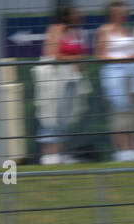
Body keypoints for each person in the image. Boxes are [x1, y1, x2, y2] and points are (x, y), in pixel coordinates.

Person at [34, 2, 89, 165]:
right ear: (66, 15)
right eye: (75, 13)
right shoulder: (56, 29)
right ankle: (48, 154)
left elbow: (80, 55)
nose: (79, 15)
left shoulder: (75, 32)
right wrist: (75, 59)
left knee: (66, 116)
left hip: (71, 77)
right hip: (54, 77)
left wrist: (79, 65)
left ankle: (60, 152)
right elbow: (53, 54)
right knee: (51, 114)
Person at [97, 1, 134, 162]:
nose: (122, 14)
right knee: (119, 112)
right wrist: (120, 59)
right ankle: (123, 150)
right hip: (115, 75)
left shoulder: (128, 30)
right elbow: (100, 55)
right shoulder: (104, 30)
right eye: (119, 12)